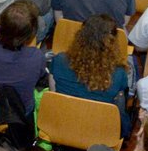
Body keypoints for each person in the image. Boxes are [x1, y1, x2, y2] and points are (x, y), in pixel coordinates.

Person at [48, 11, 136, 141]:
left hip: (62, 125)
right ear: (112, 43)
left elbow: (53, 93)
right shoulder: (119, 73)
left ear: (80, 36)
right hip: (100, 131)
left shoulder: (59, 60)